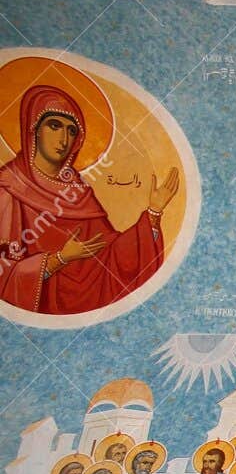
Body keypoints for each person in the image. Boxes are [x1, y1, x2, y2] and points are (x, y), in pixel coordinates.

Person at [0, 83, 175, 315]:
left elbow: (110, 253)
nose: (64, 138)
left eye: (72, 131)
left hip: (87, 305)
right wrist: (60, 259)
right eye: (54, 125)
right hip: (39, 309)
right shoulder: (9, 187)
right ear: (34, 129)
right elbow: (5, 274)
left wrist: (154, 213)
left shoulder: (77, 189)